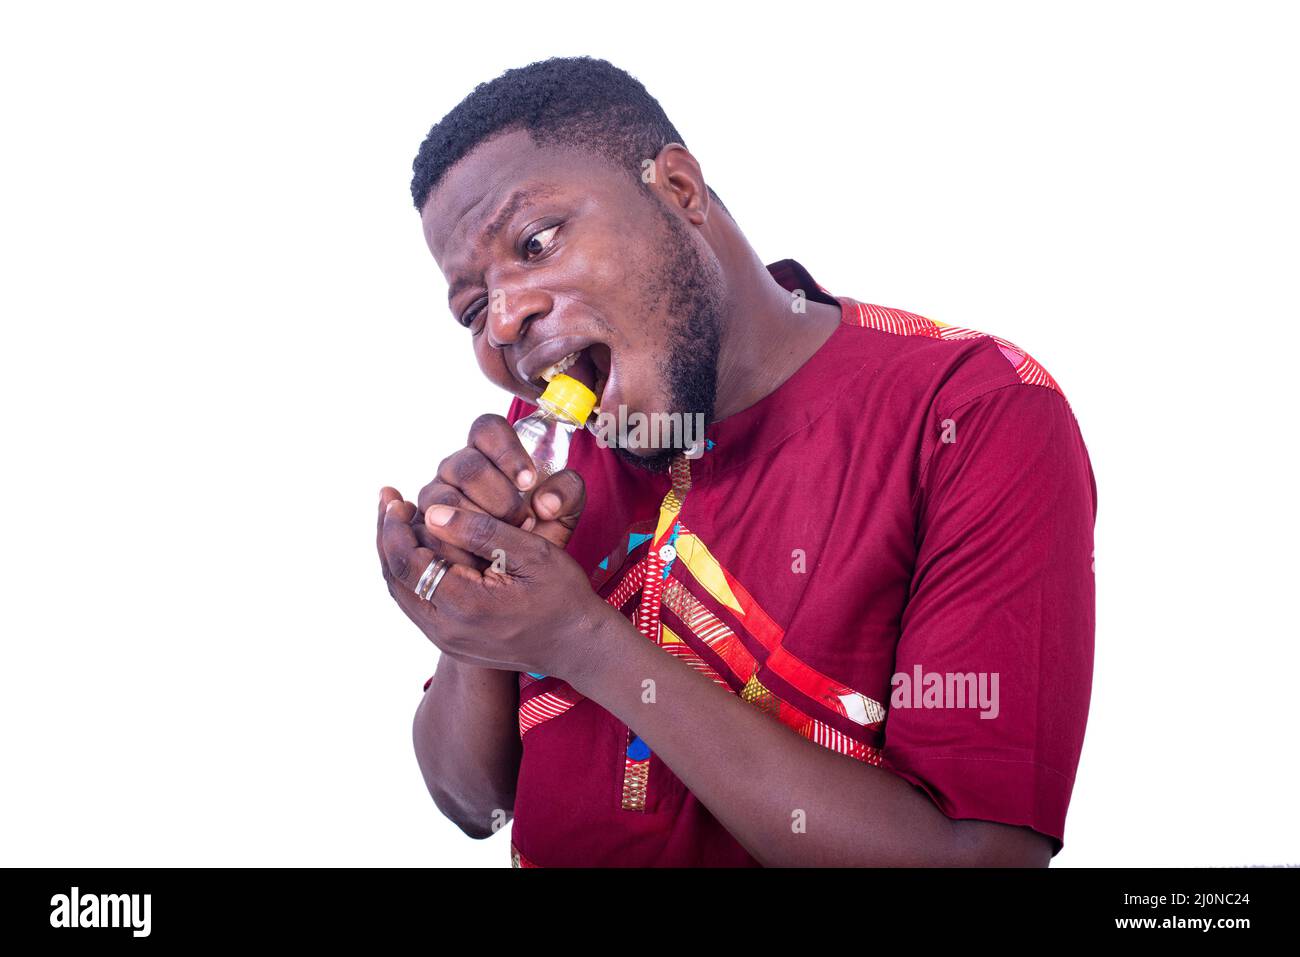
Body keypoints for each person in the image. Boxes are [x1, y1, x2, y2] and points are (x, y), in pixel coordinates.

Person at [377, 56, 1097, 867]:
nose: (505, 321)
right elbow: (474, 801)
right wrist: (472, 623)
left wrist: (581, 639)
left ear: (679, 189)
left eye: (536, 241)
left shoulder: (970, 414)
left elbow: (981, 858)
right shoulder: (543, 457)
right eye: (473, 308)